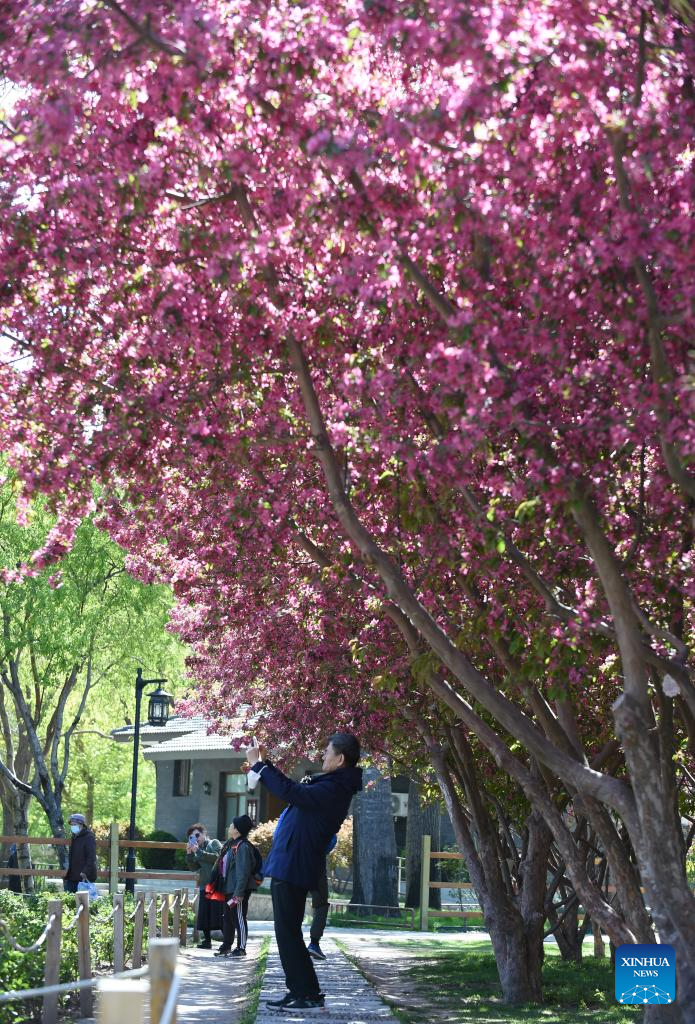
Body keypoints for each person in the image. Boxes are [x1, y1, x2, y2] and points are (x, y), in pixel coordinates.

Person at [245, 732, 362, 1011]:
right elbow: (293, 789)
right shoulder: (333, 783)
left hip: (295, 865)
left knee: (287, 932)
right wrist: (266, 763)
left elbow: (292, 792)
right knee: (288, 932)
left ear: (340, 758)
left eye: (326, 751)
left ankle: (306, 993)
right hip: (292, 863)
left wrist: (260, 768)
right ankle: (302, 990)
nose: (322, 755)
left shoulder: (335, 788)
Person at [215, 814, 259, 958]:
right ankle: (227, 946)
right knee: (227, 917)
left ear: (238, 830)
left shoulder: (243, 847)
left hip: (238, 890)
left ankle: (241, 948)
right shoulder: (231, 844)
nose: (230, 827)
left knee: (239, 917)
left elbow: (243, 872)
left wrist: (239, 893)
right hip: (228, 888)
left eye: (233, 825)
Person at [185, 822, 222, 950]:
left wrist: (198, 852)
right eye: (192, 836)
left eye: (197, 834)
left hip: (217, 884)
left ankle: (227, 941)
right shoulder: (196, 850)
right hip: (204, 885)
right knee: (204, 914)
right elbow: (193, 868)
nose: (196, 838)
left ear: (204, 833)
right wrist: (190, 854)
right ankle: (207, 941)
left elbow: (218, 858)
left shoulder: (214, 843)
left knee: (219, 913)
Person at [63, 813, 97, 893]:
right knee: (68, 900)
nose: (72, 827)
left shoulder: (89, 837)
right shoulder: (75, 837)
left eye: (74, 824)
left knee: (83, 902)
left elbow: (91, 857)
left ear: (81, 824)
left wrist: (85, 871)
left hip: (84, 876)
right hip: (73, 876)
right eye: (71, 825)